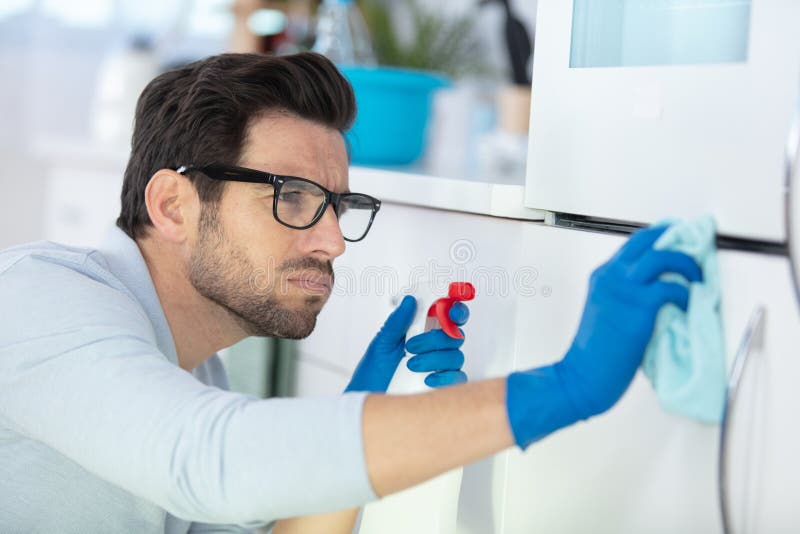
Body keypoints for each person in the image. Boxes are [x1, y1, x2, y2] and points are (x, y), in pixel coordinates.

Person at [0, 52, 702, 534]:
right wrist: (562, 388)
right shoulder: (38, 299)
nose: (333, 241)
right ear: (174, 205)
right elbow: (208, 460)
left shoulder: (194, 371)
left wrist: (361, 406)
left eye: (338, 205)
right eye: (294, 197)